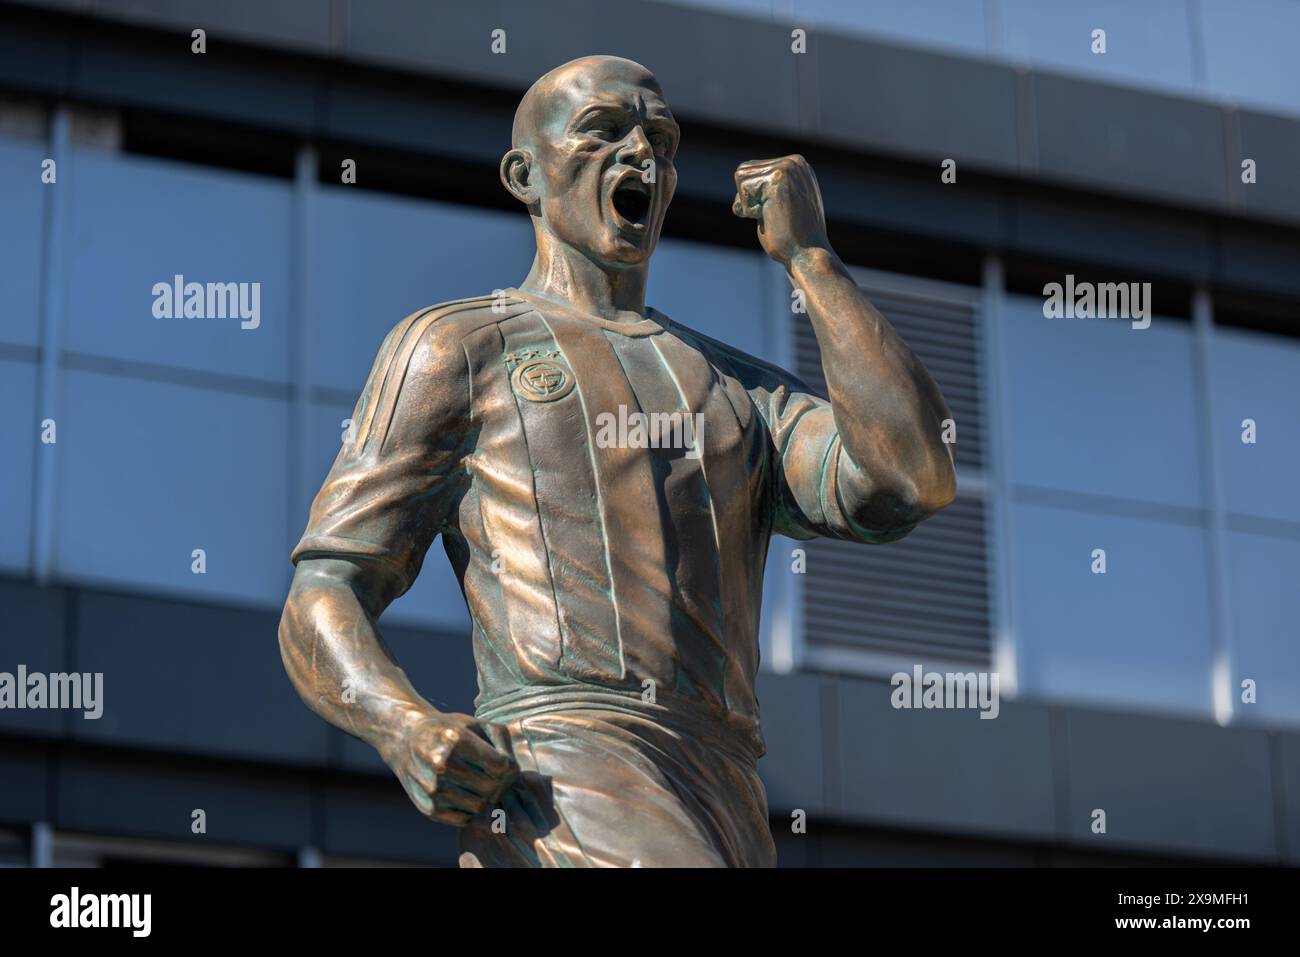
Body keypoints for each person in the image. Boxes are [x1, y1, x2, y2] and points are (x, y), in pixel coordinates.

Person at [278, 55, 956, 867]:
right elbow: (325, 589)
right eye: (603, 130)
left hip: (726, 787)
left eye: (660, 139)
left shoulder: (735, 389)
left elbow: (912, 475)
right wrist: (402, 723)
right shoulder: (460, 347)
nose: (642, 154)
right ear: (524, 175)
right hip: (560, 775)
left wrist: (813, 261)